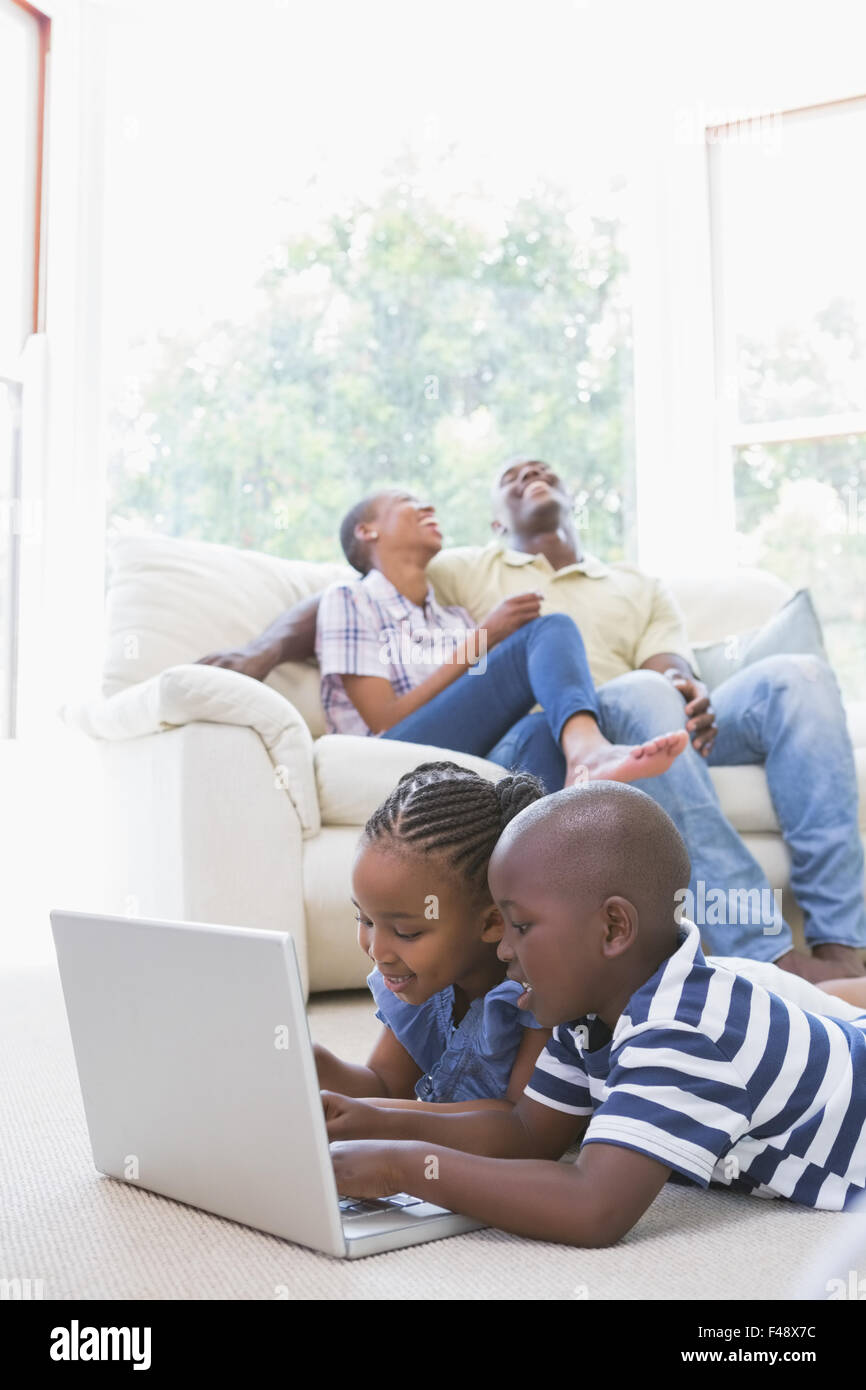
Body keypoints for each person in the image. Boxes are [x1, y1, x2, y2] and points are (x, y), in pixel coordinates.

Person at [198, 455, 866, 982]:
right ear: (495, 524)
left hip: (668, 731)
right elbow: (341, 595)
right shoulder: (470, 572)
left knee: (795, 676)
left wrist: (686, 684)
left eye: (543, 470)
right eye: (511, 477)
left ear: (572, 500)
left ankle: (844, 947)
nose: (530, 475)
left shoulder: (638, 583)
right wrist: (259, 652)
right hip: (601, 715)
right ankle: (759, 952)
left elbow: (668, 663)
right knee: (629, 688)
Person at [326, 782, 866, 1245]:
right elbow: (527, 1133)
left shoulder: (680, 1032)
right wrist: (370, 1121)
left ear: (612, 929)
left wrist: (405, 1166)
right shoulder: (583, 1013)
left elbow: (593, 1206)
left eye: (520, 926)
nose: (504, 950)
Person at [316, 761, 866, 1115]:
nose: (377, 948)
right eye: (364, 919)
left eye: (407, 930)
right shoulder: (419, 983)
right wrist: (304, 1060)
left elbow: (517, 1119)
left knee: (829, 1008)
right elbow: (383, 1084)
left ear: (491, 923)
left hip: (733, 1000)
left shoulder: (546, 990)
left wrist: (382, 1127)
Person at [312, 486, 687, 790]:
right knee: (549, 628)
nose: (427, 505)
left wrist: (479, 637)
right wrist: (484, 638)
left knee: (542, 729)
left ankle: (555, 866)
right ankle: (589, 750)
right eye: (407, 502)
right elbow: (384, 719)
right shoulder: (349, 598)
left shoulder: (453, 617)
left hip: (459, 753)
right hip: (390, 757)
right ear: (367, 531)